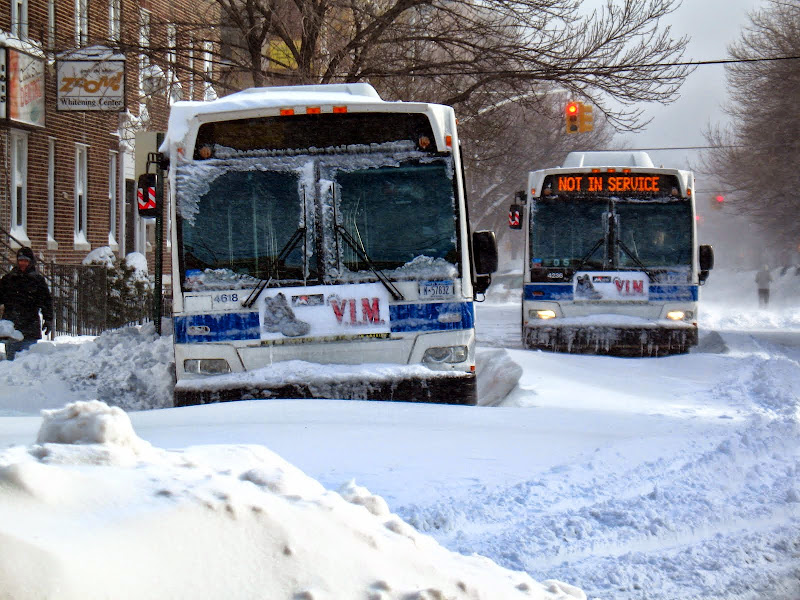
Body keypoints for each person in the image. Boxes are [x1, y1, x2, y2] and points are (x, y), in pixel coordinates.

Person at [0, 247, 53, 360]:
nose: (22, 263)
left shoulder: (37, 280)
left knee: (27, 361)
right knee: (11, 362)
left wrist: (48, 319)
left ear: (31, 262)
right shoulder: (8, 279)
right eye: (20, 260)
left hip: (30, 327)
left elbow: (46, 301)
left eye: (25, 261)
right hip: (12, 328)